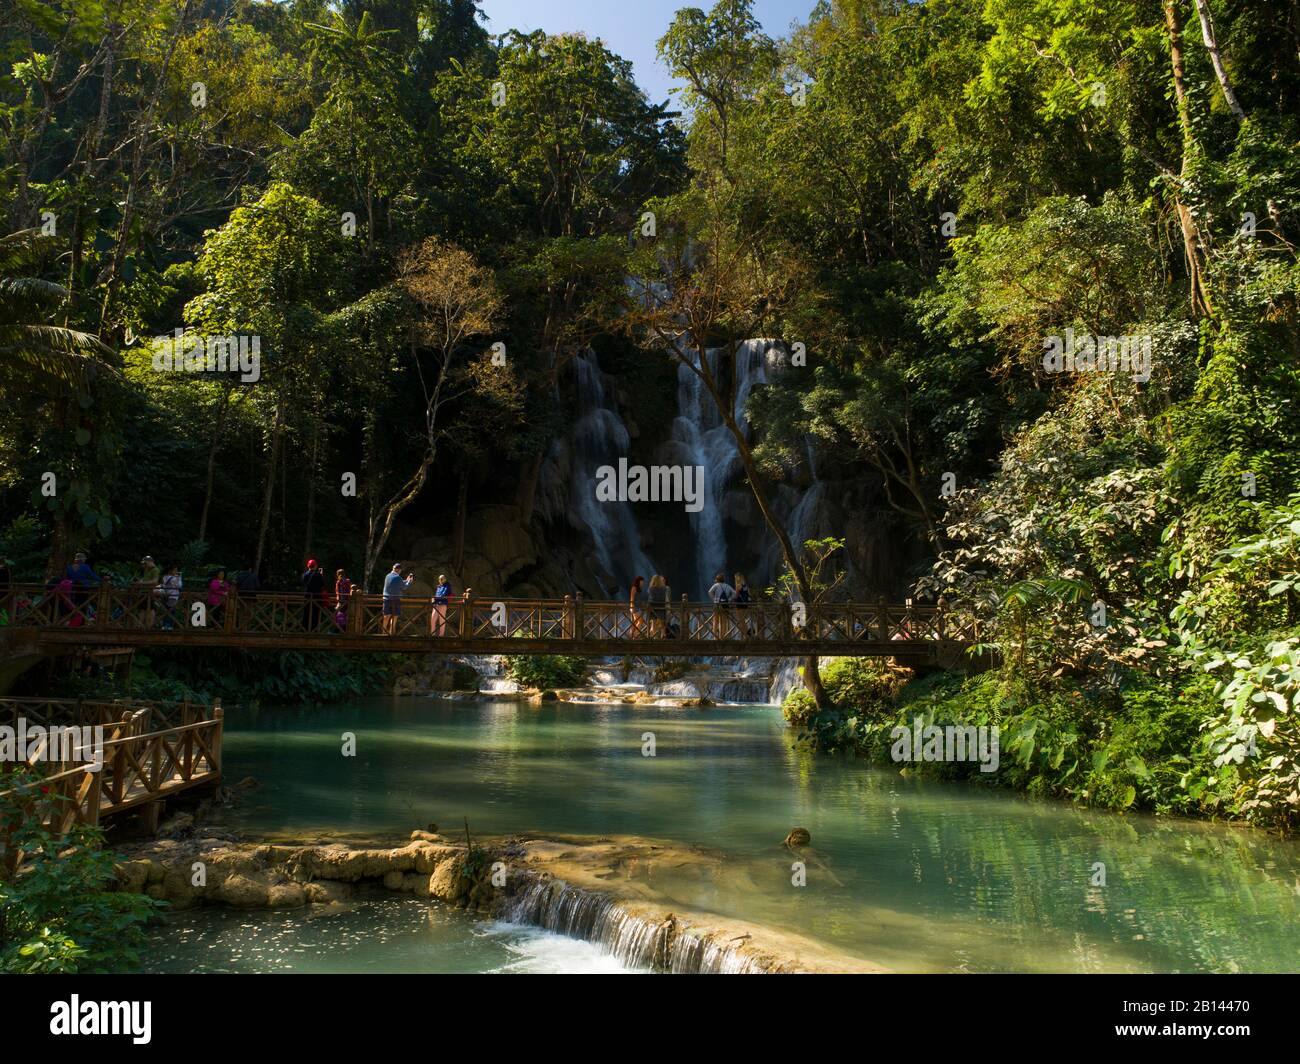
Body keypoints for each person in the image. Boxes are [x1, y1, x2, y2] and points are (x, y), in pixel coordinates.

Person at [382, 563, 413, 634]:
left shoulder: (388, 576)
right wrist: (409, 582)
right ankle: (392, 632)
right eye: (400, 570)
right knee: (395, 617)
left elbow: (396, 583)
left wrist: (406, 580)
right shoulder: (398, 577)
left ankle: (383, 633)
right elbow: (404, 587)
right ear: (398, 570)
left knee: (386, 616)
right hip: (395, 599)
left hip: (386, 599)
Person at [708, 571, 735, 639]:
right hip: (725, 605)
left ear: (717, 580)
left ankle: (715, 637)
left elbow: (710, 592)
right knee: (724, 621)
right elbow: (734, 593)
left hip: (717, 604)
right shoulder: (727, 586)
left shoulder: (716, 585)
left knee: (715, 621)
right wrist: (729, 600)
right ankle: (722, 636)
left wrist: (714, 599)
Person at [136, 555, 161, 627]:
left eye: (145, 563)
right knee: (142, 609)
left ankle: (149, 626)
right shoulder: (147, 570)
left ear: (150, 562)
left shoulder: (155, 570)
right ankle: (140, 625)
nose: (144, 565)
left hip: (149, 592)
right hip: (144, 592)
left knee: (150, 609)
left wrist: (142, 583)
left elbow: (155, 581)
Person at [302, 558, 327, 631]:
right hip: (317, 597)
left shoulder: (304, 575)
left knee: (306, 613)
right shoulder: (318, 575)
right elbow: (322, 584)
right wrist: (321, 575)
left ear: (308, 566)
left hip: (307, 596)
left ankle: (305, 629)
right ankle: (314, 629)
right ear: (315, 566)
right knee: (315, 614)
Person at [161, 565, 183, 629]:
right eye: (175, 570)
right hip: (173, 596)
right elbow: (179, 586)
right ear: (170, 571)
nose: (176, 572)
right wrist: (179, 577)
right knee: (171, 611)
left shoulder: (164, 577)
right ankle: (169, 625)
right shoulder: (174, 578)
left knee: (166, 610)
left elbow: (163, 585)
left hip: (166, 595)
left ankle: (164, 625)